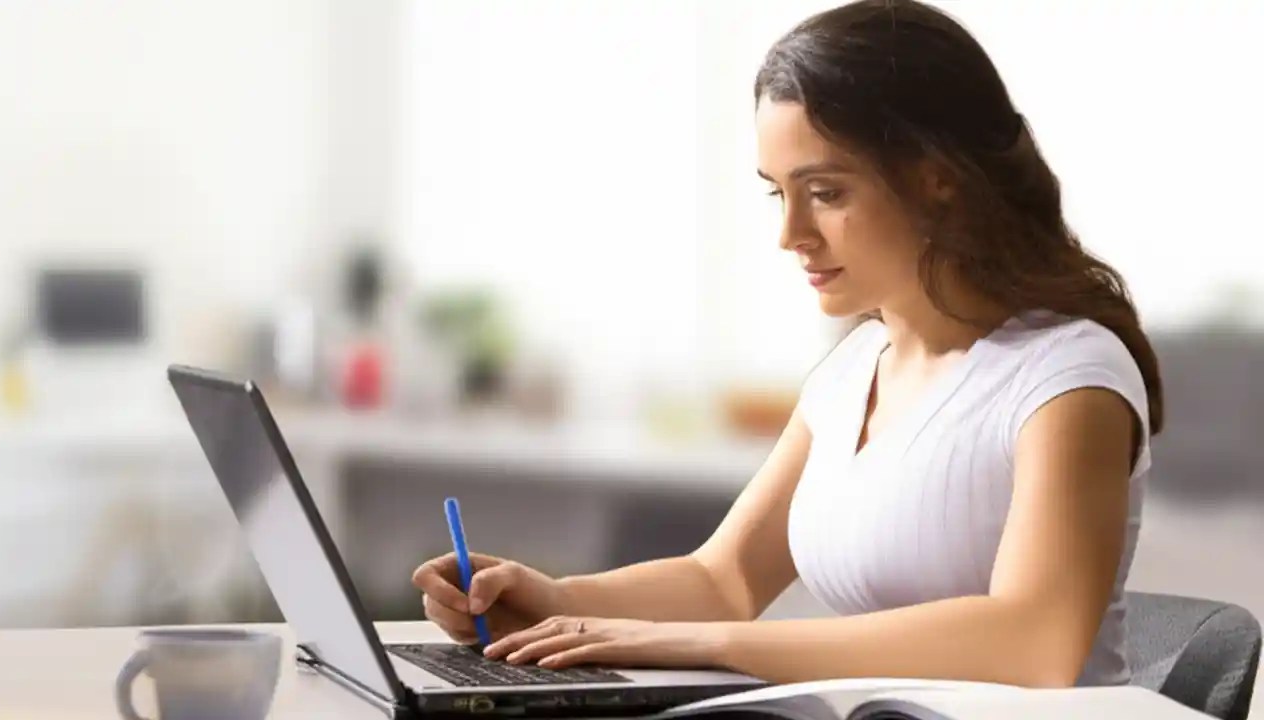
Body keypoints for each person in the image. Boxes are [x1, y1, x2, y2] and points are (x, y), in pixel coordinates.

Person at [413, 0, 1162, 689]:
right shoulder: (851, 373)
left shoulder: (1068, 376)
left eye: (827, 192)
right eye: (779, 192)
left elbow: (1033, 642)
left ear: (938, 180)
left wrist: (714, 644)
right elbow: (724, 581)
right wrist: (553, 603)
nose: (790, 235)